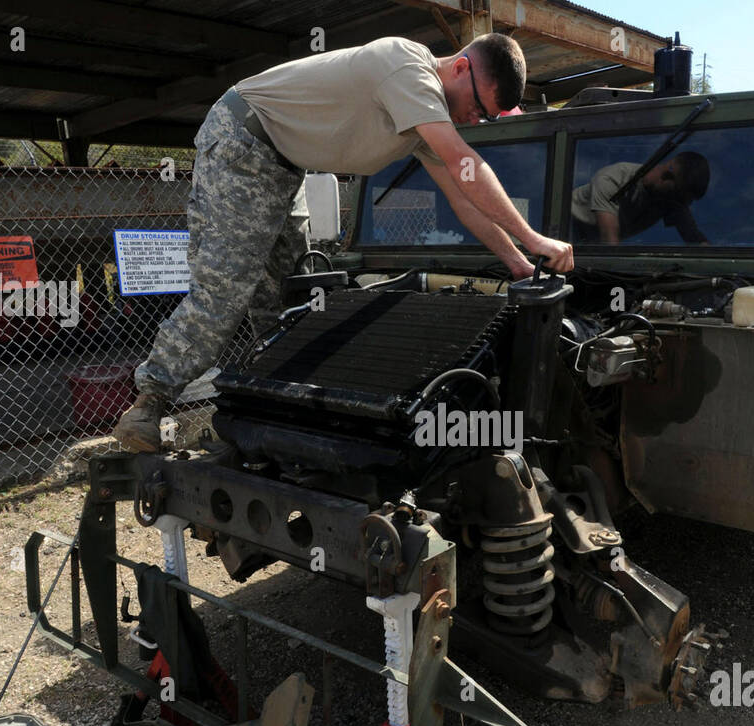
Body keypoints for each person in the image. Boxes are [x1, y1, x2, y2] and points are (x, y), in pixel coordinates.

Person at [113, 33, 574, 452]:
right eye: (478, 107)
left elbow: (462, 197)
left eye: (486, 116)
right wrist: (535, 239)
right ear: (460, 68)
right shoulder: (406, 69)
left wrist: (518, 263)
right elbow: (465, 164)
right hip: (243, 142)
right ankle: (149, 404)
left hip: (285, 164)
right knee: (225, 289)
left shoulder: (421, 113)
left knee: (291, 297)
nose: (475, 119)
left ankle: (266, 410)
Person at [570, 151, 710, 245]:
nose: (682, 205)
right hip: (566, 226)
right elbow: (609, 240)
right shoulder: (614, 179)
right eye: (679, 196)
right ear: (666, 176)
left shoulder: (670, 198)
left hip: (589, 245)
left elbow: (695, 239)